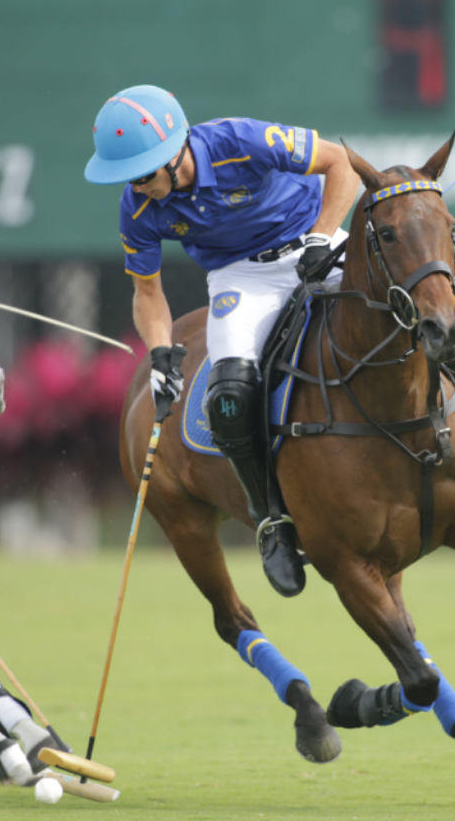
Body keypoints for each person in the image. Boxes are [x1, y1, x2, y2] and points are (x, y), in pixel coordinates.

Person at [85, 85, 358, 598]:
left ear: (175, 152)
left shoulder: (242, 140)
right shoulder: (139, 209)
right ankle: (271, 520)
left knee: (398, 306)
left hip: (314, 241)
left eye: (144, 174)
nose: (138, 188)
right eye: (128, 179)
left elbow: (340, 163)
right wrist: (161, 351)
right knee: (228, 394)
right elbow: (148, 294)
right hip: (240, 278)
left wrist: (323, 236)